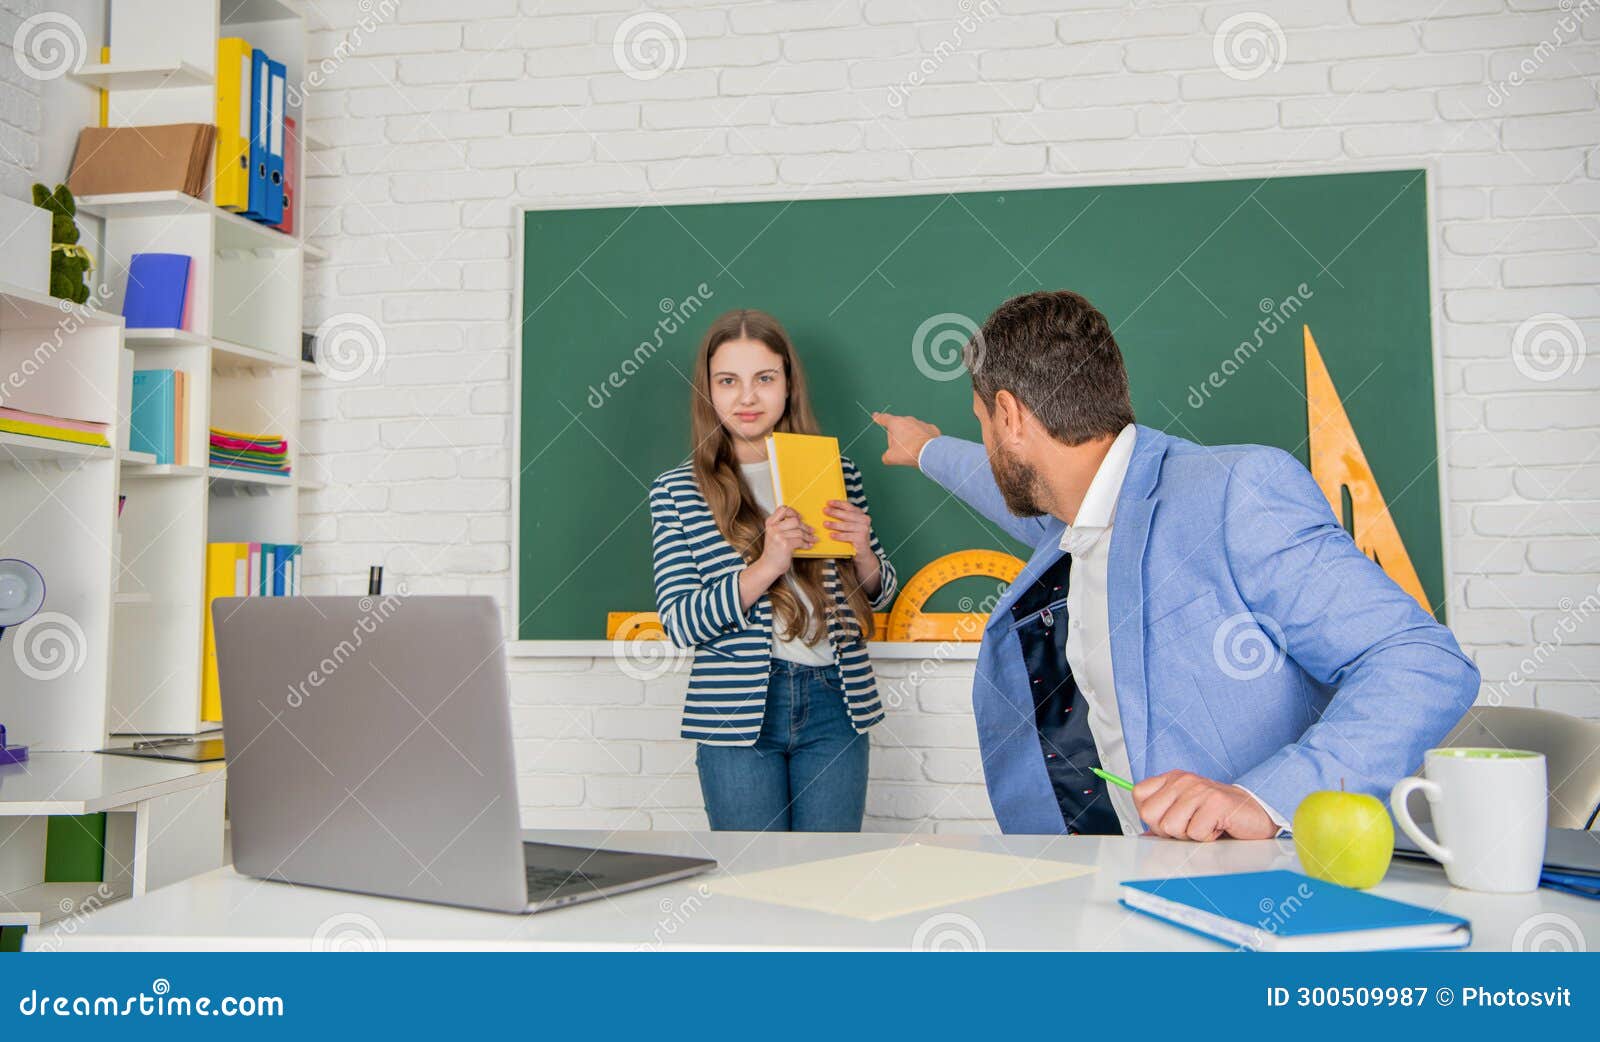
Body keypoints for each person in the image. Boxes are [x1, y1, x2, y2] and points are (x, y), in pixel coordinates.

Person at [874, 289, 1479, 840]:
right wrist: (926, 449)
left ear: (1008, 416)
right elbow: (1006, 492)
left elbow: (1421, 661)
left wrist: (1266, 798)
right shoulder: (1073, 518)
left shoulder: (1232, 491)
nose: (985, 441)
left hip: (1248, 887)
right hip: (1122, 871)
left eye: (981, 422)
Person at [649, 308, 897, 831]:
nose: (747, 397)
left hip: (836, 701)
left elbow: (881, 594)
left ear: (788, 385)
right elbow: (680, 622)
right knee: (751, 872)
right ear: (708, 391)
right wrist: (766, 566)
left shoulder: (837, 471)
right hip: (735, 712)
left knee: (828, 872)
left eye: (764, 378)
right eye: (728, 381)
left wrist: (864, 554)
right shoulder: (677, 490)